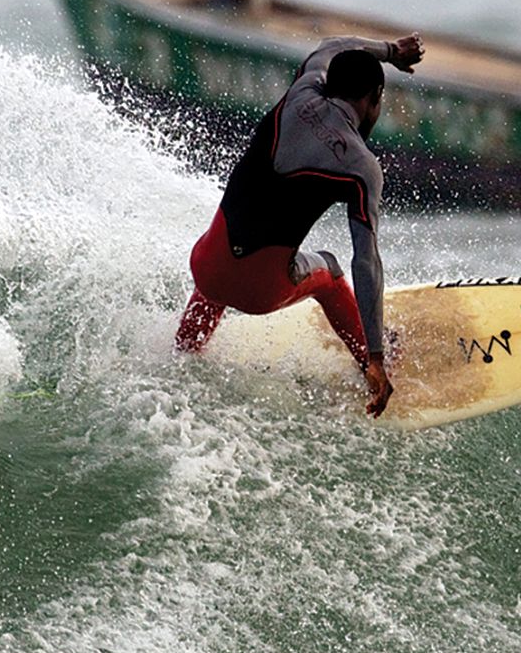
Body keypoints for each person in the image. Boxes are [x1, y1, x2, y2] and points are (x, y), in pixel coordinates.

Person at [176, 32, 425, 416]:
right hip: (260, 293)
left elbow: (334, 45)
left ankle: (185, 349)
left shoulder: (300, 93)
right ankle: (371, 369)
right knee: (330, 268)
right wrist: (376, 352)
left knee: (227, 255)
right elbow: (366, 262)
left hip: (204, 266)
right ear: (374, 97)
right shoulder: (360, 167)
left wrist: (391, 52)